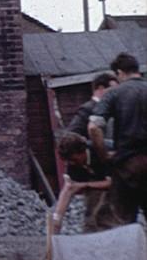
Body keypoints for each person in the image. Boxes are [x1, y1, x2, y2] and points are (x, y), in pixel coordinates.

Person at [88, 51, 147, 223]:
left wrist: (104, 156)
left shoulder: (114, 94)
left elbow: (93, 127)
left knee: (124, 221)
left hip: (127, 165)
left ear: (120, 73)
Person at [52, 131, 118, 233]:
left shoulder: (101, 152)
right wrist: (57, 218)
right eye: (69, 161)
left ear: (83, 151)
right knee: (92, 210)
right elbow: (69, 188)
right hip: (99, 181)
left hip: (125, 178)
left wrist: (84, 185)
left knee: (108, 212)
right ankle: (91, 234)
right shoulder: (73, 162)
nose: (71, 163)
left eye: (74, 159)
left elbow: (112, 183)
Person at [67, 72, 117, 139]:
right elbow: (72, 133)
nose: (116, 94)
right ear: (101, 88)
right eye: (113, 90)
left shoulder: (113, 108)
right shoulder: (87, 109)